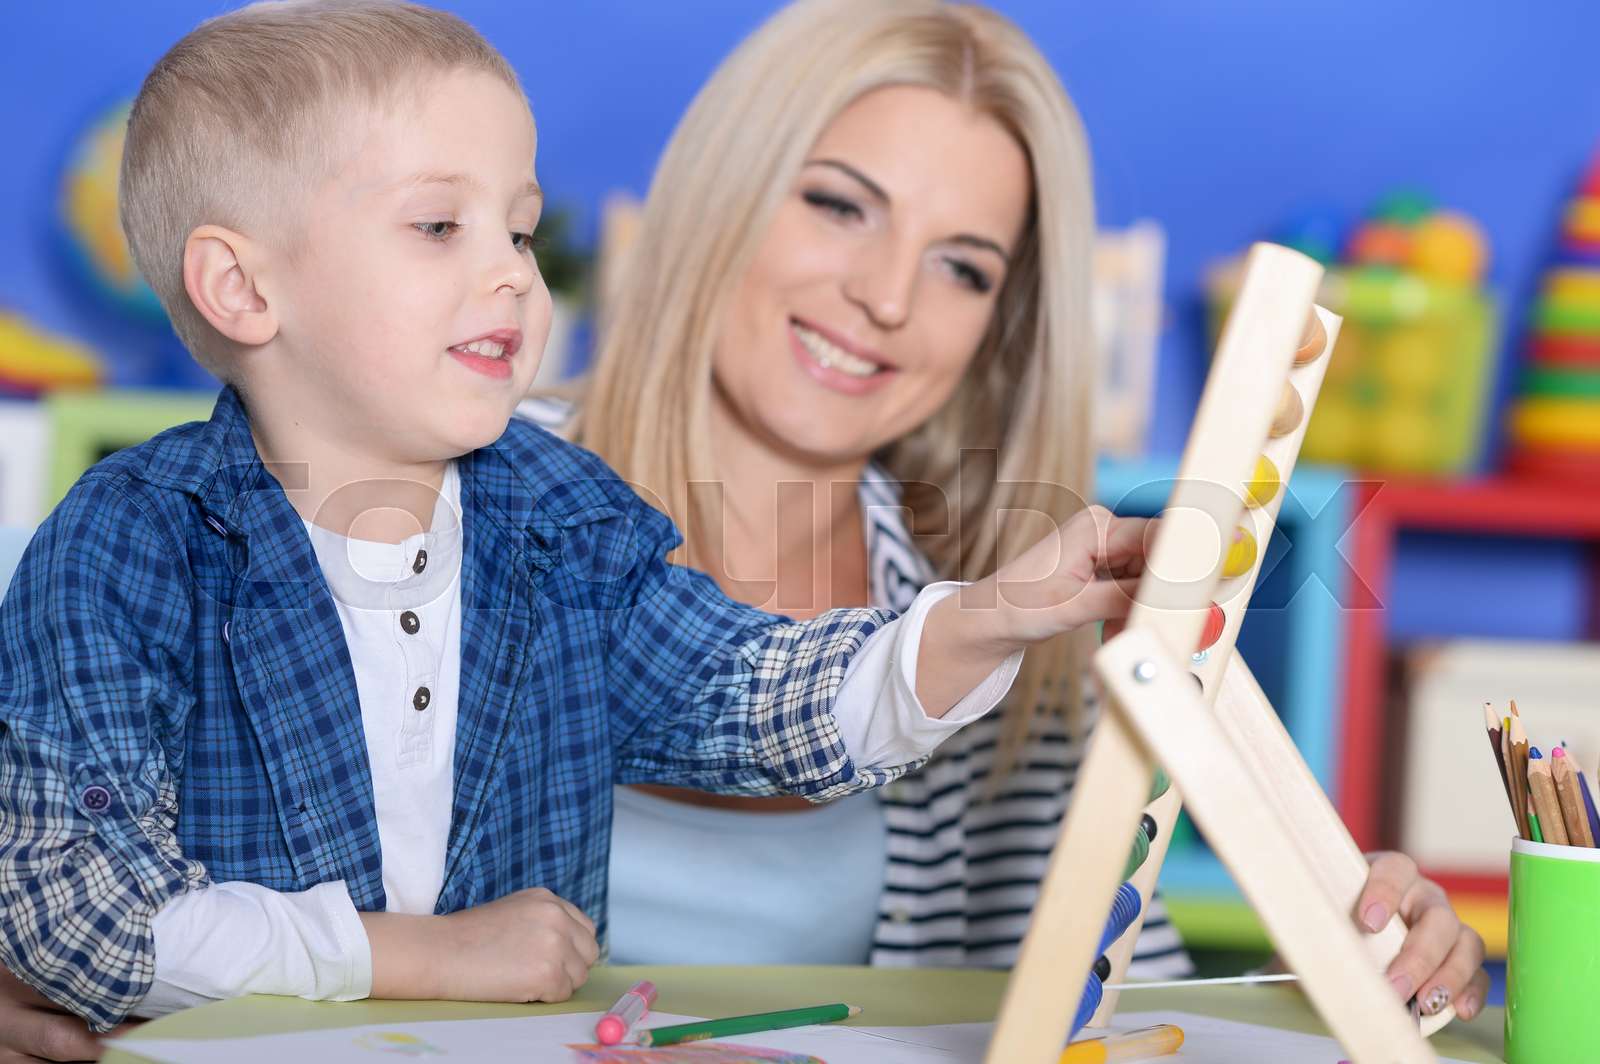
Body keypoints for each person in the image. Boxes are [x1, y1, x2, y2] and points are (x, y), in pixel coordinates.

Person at [0, 0, 1155, 1047]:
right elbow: (67, 885)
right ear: (244, 289)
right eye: (439, 226)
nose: (510, 274)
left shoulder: (559, 523)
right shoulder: (133, 543)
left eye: (519, 230)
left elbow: (750, 691)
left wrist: (987, 615)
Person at [525, 0, 1491, 1023]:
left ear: (998, 324)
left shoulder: (1006, 622)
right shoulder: (467, 497)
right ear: (721, 194)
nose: (888, 295)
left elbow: (1119, 983)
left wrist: (1362, 951)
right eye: (839, 205)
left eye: (962, 266)